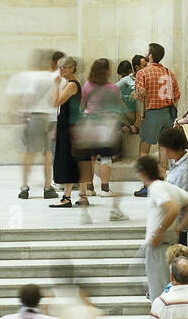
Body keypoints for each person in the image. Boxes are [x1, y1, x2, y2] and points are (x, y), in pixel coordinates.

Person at [135, 155, 188, 298]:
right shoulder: (167, 186)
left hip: (159, 245)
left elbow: (173, 208)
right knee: (167, 288)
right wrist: (179, 226)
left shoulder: (156, 188)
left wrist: (159, 232)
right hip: (168, 245)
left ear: (142, 173)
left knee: (159, 293)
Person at [11, 49, 63, 200]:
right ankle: (47, 187)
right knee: (46, 153)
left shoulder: (33, 78)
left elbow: (27, 97)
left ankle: (25, 186)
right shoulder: (49, 77)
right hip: (47, 116)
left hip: (34, 116)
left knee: (29, 153)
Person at [75, 58, 125, 204]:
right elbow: (117, 107)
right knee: (105, 157)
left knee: (90, 157)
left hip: (89, 123)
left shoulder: (87, 86)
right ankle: (104, 188)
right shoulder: (113, 88)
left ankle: (89, 188)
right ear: (107, 71)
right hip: (106, 125)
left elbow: (82, 105)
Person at [133, 42, 181, 170]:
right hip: (168, 114)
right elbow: (177, 95)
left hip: (152, 114)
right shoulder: (169, 73)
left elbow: (139, 96)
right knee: (164, 147)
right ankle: (162, 178)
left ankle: (146, 182)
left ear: (150, 55)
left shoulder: (142, 73)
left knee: (144, 149)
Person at [49, 56, 84, 207]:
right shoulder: (71, 83)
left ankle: (67, 197)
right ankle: (81, 196)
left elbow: (56, 102)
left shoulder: (71, 84)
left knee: (68, 161)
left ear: (71, 68)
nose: (60, 70)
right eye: (59, 67)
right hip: (68, 125)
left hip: (70, 127)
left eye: (63, 67)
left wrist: (56, 85)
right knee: (73, 161)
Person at [115, 59, 139, 138]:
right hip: (126, 112)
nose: (121, 78)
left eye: (123, 75)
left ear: (130, 71)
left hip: (134, 113)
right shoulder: (125, 80)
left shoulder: (131, 80)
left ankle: (130, 125)